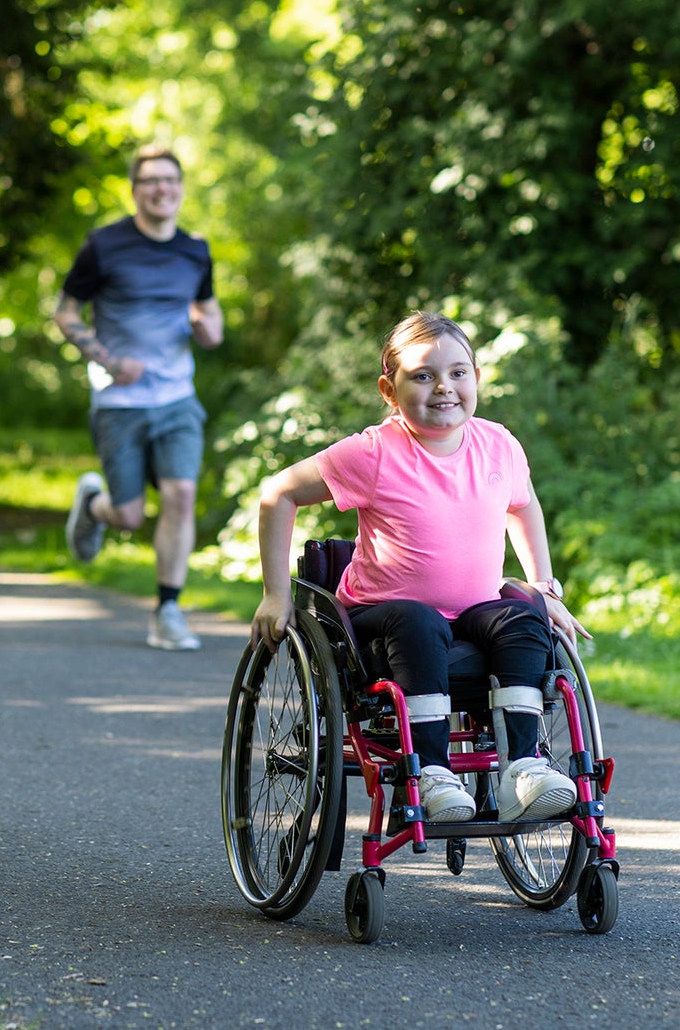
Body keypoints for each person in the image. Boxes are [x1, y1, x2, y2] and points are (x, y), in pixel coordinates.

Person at [249, 311, 590, 822]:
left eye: (458, 373)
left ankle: (525, 767)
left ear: (477, 378)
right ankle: (430, 773)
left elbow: (523, 505)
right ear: (390, 390)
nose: (443, 388)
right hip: (381, 618)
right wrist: (276, 594)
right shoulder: (374, 453)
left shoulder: (498, 444)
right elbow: (278, 493)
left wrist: (543, 586)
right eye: (423, 376)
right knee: (417, 618)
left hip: (474, 611)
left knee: (522, 617)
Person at [54, 143, 224, 651]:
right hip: (119, 401)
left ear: (181, 189)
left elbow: (210, 316)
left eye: (170, 180)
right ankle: (94, 504)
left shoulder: (195, 249)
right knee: (129, 516)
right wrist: (106, 360)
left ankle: (167, 611)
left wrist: (208, 329)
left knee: (181, 496)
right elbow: (65, 313)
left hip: (177, 398)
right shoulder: (104, 245)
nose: (161, 189)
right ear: (135, 190)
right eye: (150, 181)